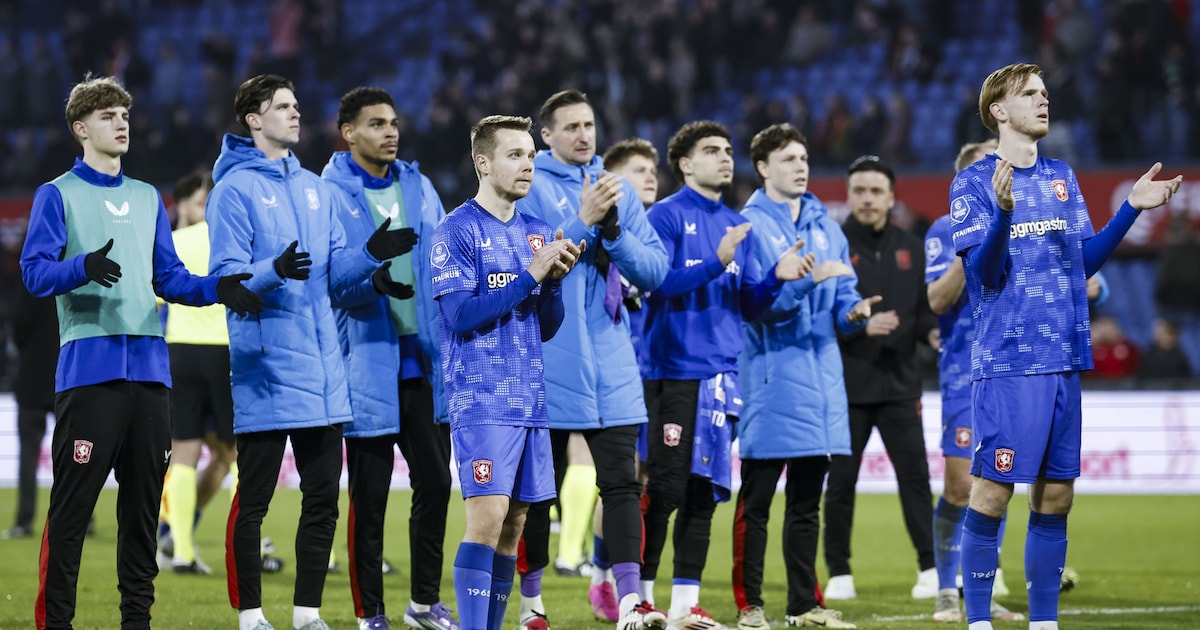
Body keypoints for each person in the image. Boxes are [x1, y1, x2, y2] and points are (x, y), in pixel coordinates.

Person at [19, 74, 262, 630]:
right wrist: (80, 266)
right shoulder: (57, 194)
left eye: (125, 114)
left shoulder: (147, 196)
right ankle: (55, 623)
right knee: (72, 513)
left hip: (151, 373)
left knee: (141, 517)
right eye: (108, 116)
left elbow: (169, 277)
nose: (121, 123)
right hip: (90, 371)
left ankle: (137, 622)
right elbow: (33, 274)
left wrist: (215, 288)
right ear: (81, 129)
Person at [950, 62, 1180, 630]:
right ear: (999, 111)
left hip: (1064, 359)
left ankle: (1045, 623)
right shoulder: (974, 182)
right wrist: (1003, 216)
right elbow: (984, 272)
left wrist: (1130, 208)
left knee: (1055, 499)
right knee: (993, 493)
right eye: (1029, 94)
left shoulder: (1062, 176)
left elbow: (1083, 263)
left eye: (1046, 93)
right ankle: (977, 620)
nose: (1043, 101)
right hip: (1009, 361)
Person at [207, 74, 415, 630]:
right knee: (253, 502)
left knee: (322, 500)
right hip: (268, 367)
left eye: (297, 105)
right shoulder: (232, 190)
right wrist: (272, 271)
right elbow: (225, 279)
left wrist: (371, 256)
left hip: (326, 373)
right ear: (254, 119)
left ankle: (307, 614)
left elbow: (337, 281)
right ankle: (251, 616)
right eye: (282, 107)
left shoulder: (317, 190)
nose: (295, 114)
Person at [642, 120, 815, 630]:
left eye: (727, 150)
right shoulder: (666, 217)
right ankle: (642, 598)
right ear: (684, 163)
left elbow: (748, 306)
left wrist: (773, 281)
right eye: (711, 150)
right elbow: (656, 286)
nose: (724, 158)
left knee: (705, 493)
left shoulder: (736, 223)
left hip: (723, 376)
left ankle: (683, 605)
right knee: (667, 489)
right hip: (675, 373)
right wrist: (715, 264)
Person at [512, 90, 669, 630]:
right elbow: (531, 265)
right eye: (571, 126)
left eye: (590, 124)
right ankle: (532, 604)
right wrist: (583, 221)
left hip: (612, 361)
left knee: (624, 485)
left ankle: (629, 601)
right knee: (536, 492)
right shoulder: (527, 188)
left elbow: (654, 271)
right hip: (548, 360)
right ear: (546, 136)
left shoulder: (617, 190)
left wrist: (617, 232)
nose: (584, 134)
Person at [433, 114, 586, 630]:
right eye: (515, 155)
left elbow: (545, 327)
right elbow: (459, 316)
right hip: (481, 399)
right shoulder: (456, 231)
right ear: (483, 163)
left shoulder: (538, 232)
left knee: (515, 524)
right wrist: (530, 274)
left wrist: (556, 282)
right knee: (488, 519)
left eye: (531, 156)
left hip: (530, 400)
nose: (527, 165)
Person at [320, 86, 458, 630]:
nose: (391, 132)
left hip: (421, 361)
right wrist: (370, 271)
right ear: (348, 132)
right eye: (376, 124)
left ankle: (423, 603)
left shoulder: (419, 187)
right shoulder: (328, 193)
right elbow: (330, 280)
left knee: (435, 483)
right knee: (370, 497)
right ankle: (369, 614)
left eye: (394, 122)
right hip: (366, 361)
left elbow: (448, 255)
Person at [732, 123, 877, 630]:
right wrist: (797, 283)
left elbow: (840, 297)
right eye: (789, 159)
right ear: (764, 167)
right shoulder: (748, 227)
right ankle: (750, 606)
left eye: (804, 158)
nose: (801, 167)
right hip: (773, 379)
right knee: (757, 504)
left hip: (821, 381)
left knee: (805, 506)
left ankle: (803, 605)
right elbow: (753, 309)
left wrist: (852, 312)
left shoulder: (826, 226)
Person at [823, 155, 939, 602]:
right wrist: (856, 325)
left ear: (892, 197)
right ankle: (838, 573)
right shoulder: (832, 247)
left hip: (899, 387)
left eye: (876, 191)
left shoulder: (913, 246)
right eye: (859, 191)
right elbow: (817, 315)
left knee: (915, 480)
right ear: (848, 196)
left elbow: (926, 310)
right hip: (847, 387)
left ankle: (930, 568)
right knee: (841, 484)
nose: (867, 199)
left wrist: (931, 333)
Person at [924, 140, 1024, 623]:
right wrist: (974, 243)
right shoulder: (944, 229)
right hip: (966, 373)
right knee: (961, 485)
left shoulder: (1022, 220)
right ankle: (945, 586)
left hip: (1014, 369)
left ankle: (980, 591)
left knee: (997, 483)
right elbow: (938, 301)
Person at [581, 137, 661, 620]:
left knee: (644, 477)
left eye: (653, 169)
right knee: (622, 476)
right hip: (616, 367)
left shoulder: (657, 228)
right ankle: (601, 575)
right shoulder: (599, 230)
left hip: (655, 366)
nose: (649, 176)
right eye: (637, 169)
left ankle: (621, 575)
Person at [157, 172, 240, 575]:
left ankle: (183, 552)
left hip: (179, 352)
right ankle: (248, 545)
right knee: (238, 454)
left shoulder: (174, 241)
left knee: (185, 453)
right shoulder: (229, 239)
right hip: (223, 351)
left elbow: (154, 294)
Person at [4, 281, 58, 541]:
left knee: (28, 454)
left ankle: (24, 521)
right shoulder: (74, 280)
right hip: (66, 380)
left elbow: (18, 329)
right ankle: (82, 519)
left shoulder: (33, 284)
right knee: (76, 455)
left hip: (32, 381)